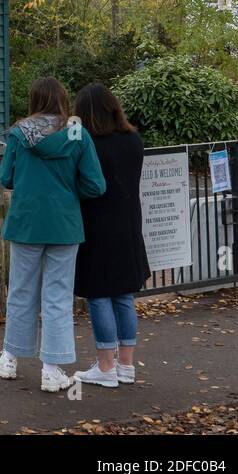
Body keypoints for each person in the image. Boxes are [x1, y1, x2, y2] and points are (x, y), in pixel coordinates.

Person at [0, 77, 107, 392]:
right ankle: (51, 369)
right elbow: (96, 185)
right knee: (57, 296)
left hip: (27, 222)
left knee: (20, 292)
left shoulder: (19, 133)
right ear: (62, 100)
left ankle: (9, 359)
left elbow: (6, 178)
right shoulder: (76, 132)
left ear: (33, 100)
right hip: (64, 223)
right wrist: (70, 191)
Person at [70, 83, 148, 389]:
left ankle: (105, 366)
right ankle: (126, 365)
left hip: (97, 224)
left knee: (99, 294)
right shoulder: (133, 139)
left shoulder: (89, 144)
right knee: (124, 294)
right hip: (129, 223)